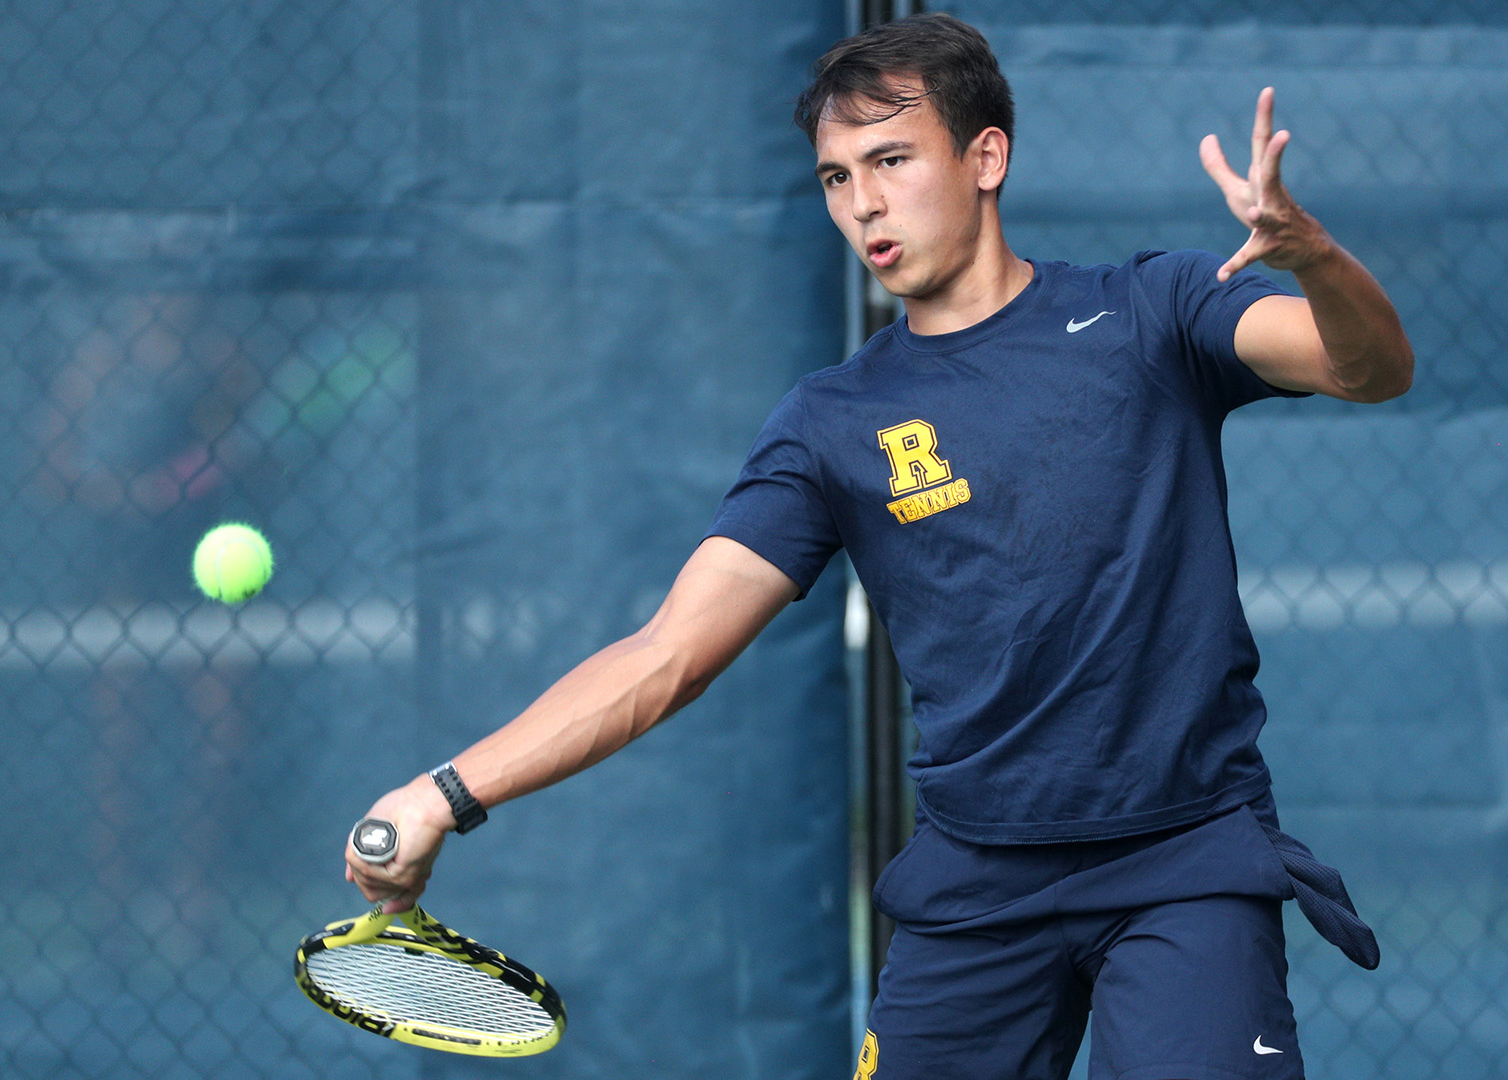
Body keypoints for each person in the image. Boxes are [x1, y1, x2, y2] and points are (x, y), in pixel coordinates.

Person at [345, 13, 1412, 1080]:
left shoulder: (1154, 311)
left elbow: (1367, 367)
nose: (862, 203)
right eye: (835, 177)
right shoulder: (831, 422)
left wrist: (1312, 257)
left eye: (891, 159)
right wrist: (443, 791)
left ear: (985, 155)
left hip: (1183, 860)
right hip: (975, 886)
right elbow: (668, 653)